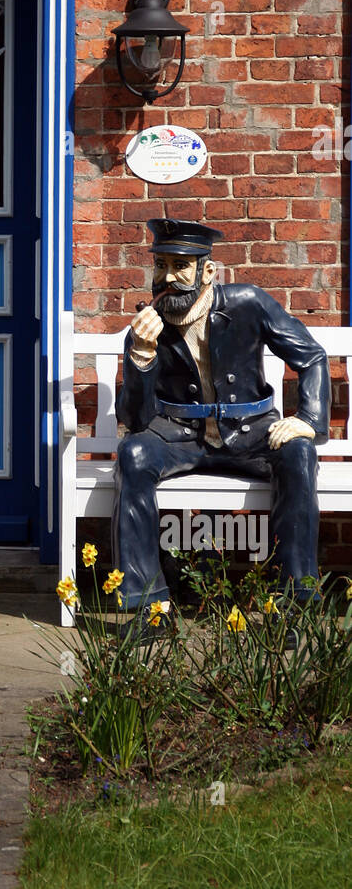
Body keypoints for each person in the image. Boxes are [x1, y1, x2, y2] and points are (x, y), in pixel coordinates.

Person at [113, 218, 329, 642]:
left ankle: (292, 606)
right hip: (178, 434)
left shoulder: (248, 303)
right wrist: (141, 355)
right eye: (162, 265)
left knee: (299, 454)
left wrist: (308, 420)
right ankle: (152, 610)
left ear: (207, 272)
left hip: (251, 432)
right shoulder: (147, 326)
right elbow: (136, 420)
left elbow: (312, 355)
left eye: (181, 265)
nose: (168, 278)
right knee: (133, 454)